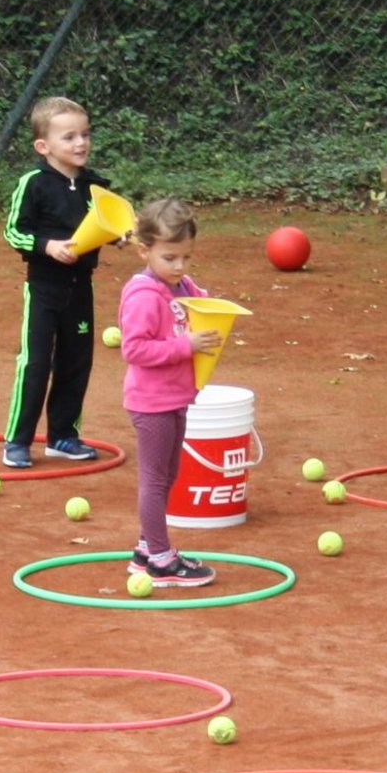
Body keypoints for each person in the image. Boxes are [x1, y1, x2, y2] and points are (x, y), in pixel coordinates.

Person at [116, 198, 225, 587]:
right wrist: (186, 346)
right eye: (170, 258)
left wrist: (210, 306)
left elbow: (198, 300)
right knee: (155, 479)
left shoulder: (180, 284)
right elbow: (135, 349)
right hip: (152, 403)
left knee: (169, 473)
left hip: (175, 398)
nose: (179, 267)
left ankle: (147, 548)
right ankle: (160, 560)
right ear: (145, 251)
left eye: (186, 258)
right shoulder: (145, 295)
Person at [0, 96, 109, 469]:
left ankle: (63, 435)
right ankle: (17, 440)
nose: (80, 143)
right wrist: (48, 246)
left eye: (85, 134)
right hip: (44, 288)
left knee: (77, 361)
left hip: (81, 286)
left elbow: (110, 222)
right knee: (35, 363)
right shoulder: (33, 184)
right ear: (43, 147)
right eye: (69, 137)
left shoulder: (96, 185)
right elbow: (13, 232)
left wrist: (120, 235)